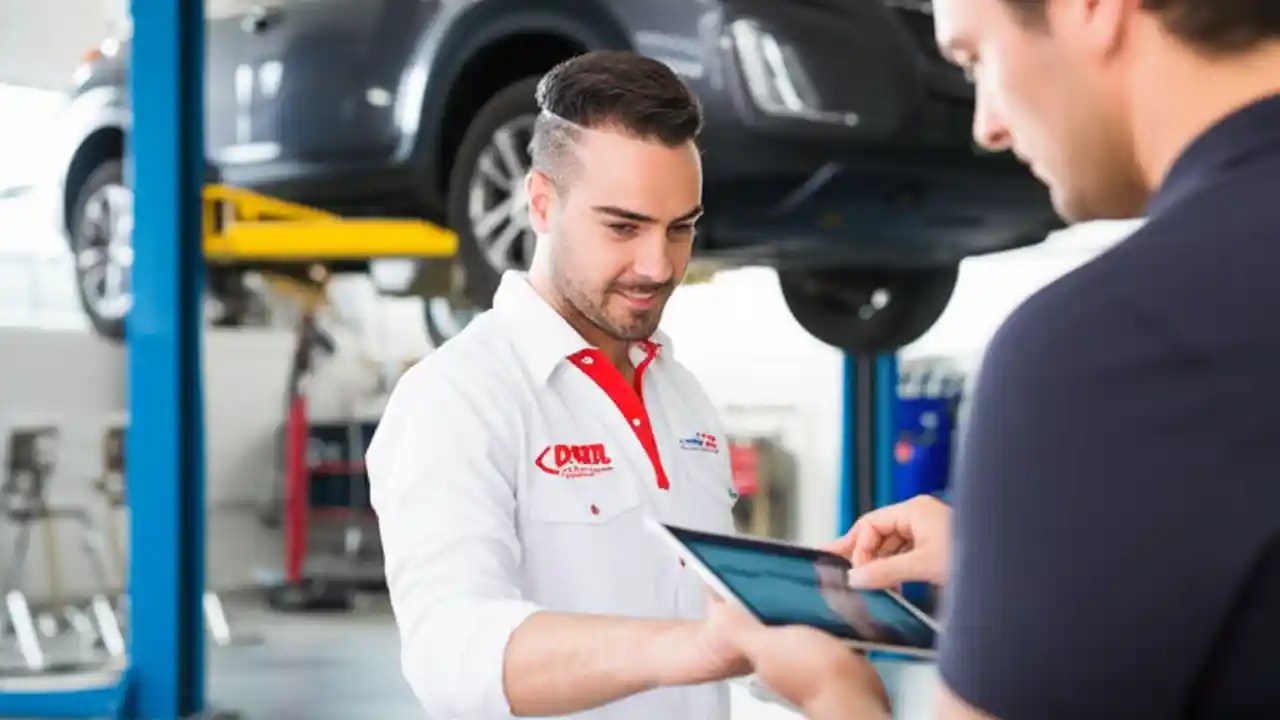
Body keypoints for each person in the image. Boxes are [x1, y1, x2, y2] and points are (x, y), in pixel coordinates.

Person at [713, 0, 1280, 718]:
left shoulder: (1110, 349)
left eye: (977, 57)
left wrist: (835, 692)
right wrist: (1029, 552)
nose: (987, 126)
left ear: (1094, 11)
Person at [365, 51, 748, 719]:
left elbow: (717, 624)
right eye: (623, 227)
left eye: (680, 228)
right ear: (541, 202)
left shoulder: (681, 395)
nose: (657, 265)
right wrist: (692, 648)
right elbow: (452, 652)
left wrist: (818, 596)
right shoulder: (457, 398)